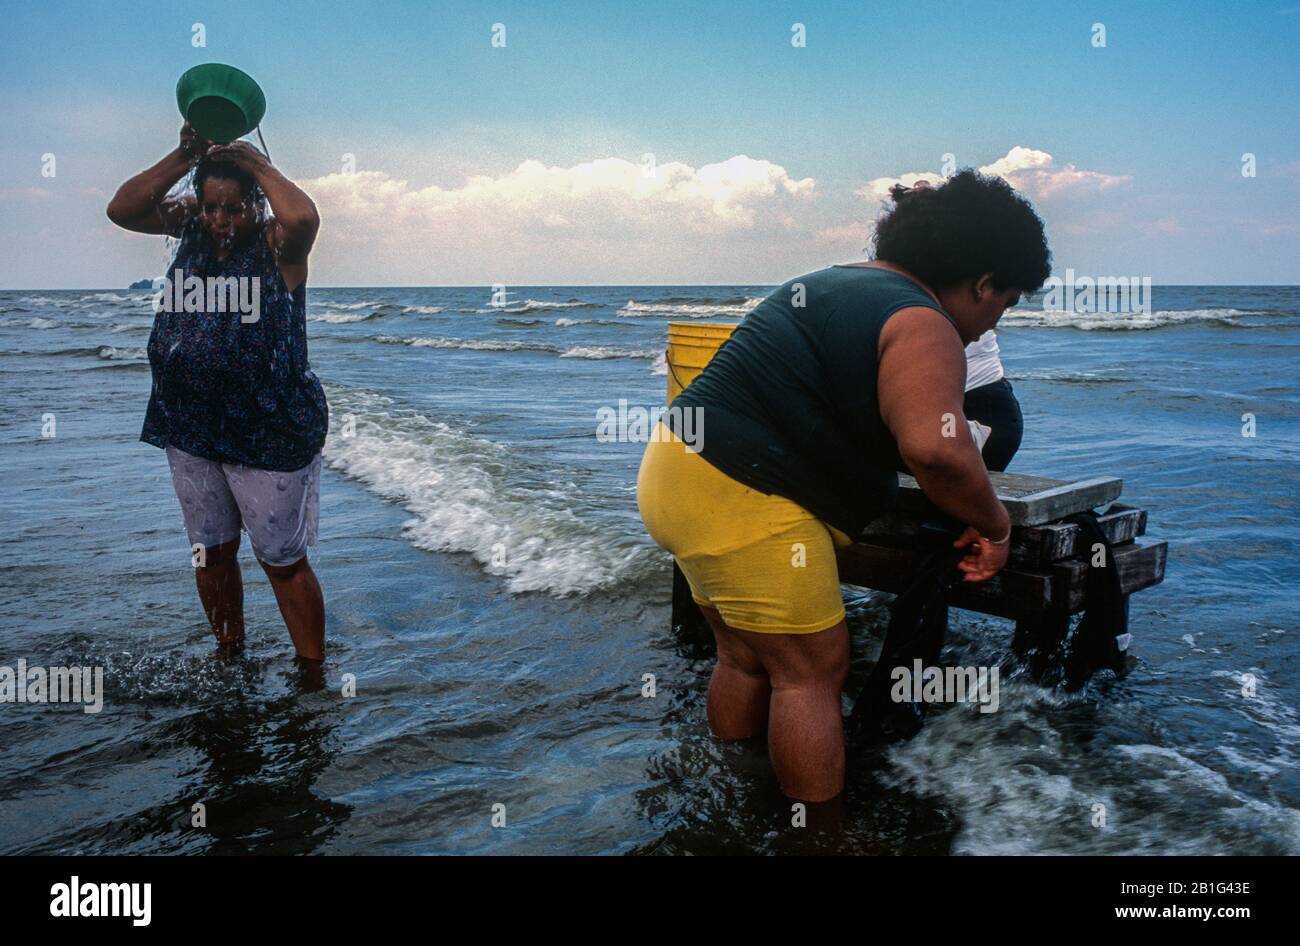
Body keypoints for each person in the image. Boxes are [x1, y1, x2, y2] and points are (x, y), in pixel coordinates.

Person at [637, 170, 1051, 802]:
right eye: (1005, 301)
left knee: (745, 656)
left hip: (676, 475)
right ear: (983, 281)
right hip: (744, 497)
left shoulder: (829, 282)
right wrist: (996, 525)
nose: (994, 322)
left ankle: (734, 790)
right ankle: (821, 839)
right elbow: (936, 452)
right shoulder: (924, 322)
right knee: (811, 674)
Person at [107, 122, 328, 661]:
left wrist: (256, 164)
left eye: (233, 209)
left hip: (268, 429)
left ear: (257, 204)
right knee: (211, 553)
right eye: (210, 208)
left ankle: (312, 673)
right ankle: (230, 653)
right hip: (189, 426)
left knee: (281, 558)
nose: (221, 220)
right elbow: (122, 208)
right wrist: (185, 155)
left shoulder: (279, 245)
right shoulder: (190, 230)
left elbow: (302, 216)